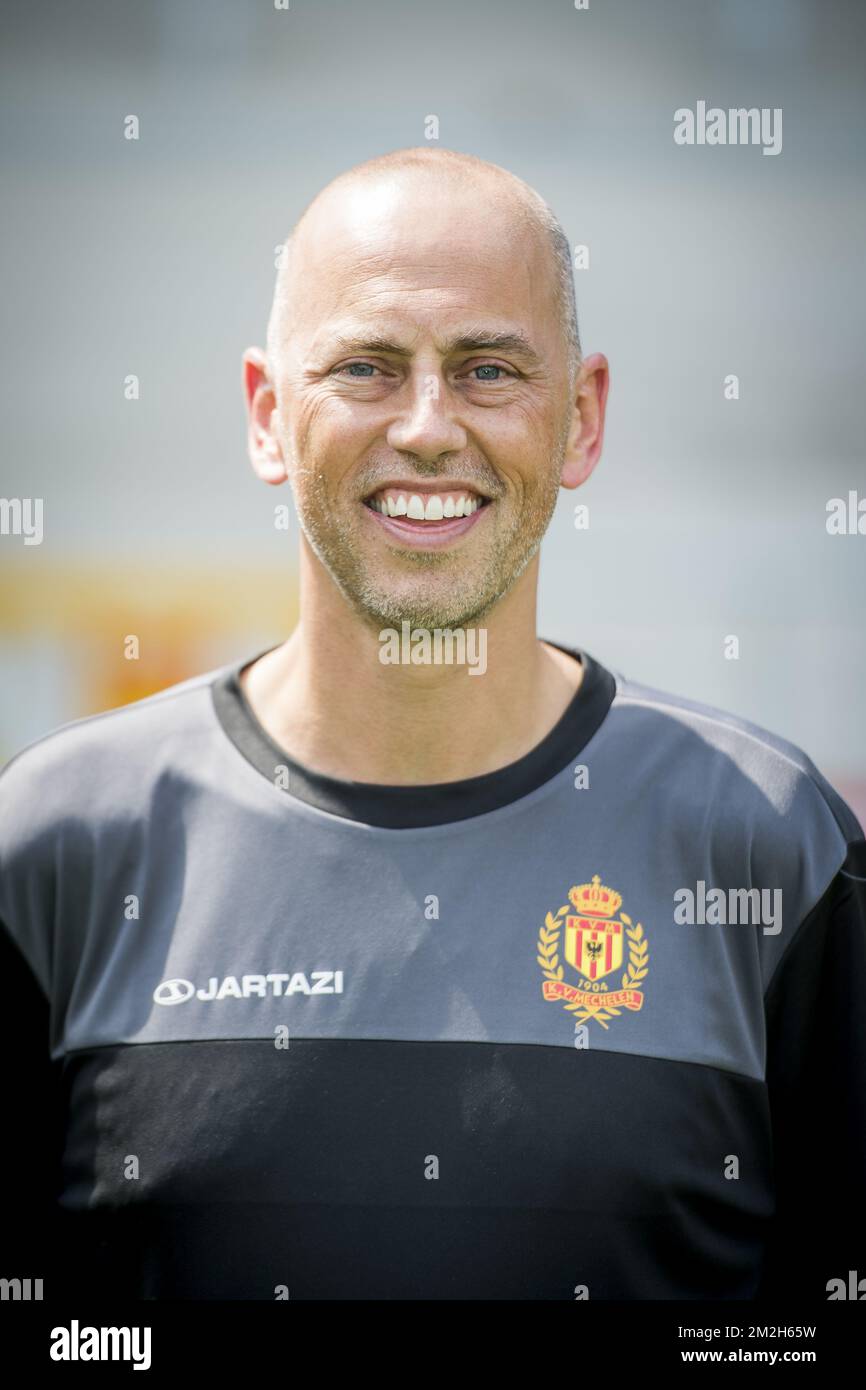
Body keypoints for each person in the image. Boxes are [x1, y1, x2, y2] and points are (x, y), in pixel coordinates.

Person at [1, 147, 863, 1300]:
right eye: (363, 365)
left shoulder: (768, 844)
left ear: (579, 418)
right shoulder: (57, 845)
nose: (424, 428)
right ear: (267, 416)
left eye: (487, 369)